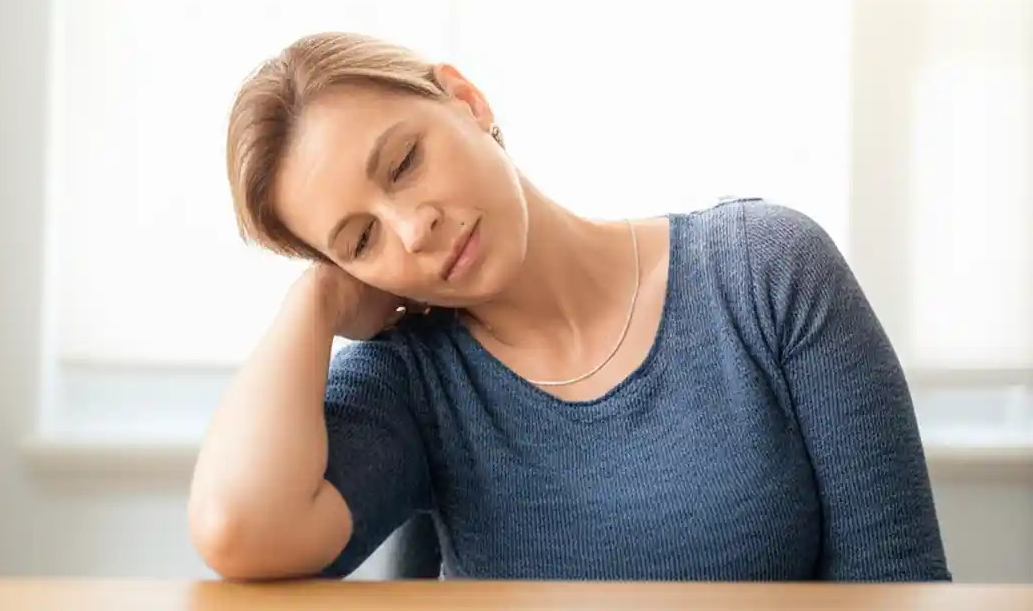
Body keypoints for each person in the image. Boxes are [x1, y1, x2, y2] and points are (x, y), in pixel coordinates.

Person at [187, 32, 951, 582]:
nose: (413, 228)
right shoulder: (412, 385)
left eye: (405, 162)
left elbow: (899, 584)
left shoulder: (763, 274)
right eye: (360, 240)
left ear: (465, 99)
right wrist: (314, 299)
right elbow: (239, 529)